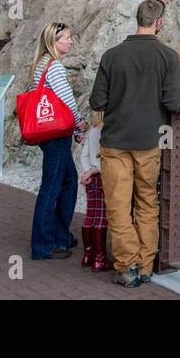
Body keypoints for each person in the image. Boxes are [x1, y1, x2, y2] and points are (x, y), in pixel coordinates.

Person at [89, 0, 180, 288]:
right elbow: (172, 103)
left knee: (118, 206)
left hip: (115, 142)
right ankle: (145, 265)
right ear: (160, 22)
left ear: (137, 19)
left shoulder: (112, 55)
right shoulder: (168, 57)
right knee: (147, 204)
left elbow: (97, 101)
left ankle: (128, 267)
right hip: (149, 143)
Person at [28, 21, 88, 261]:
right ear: (54, 41)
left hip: (48, 133)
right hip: (56, 134)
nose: (71, 41)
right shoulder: (54, 67)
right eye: (67, 38)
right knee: (51, 187)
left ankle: (60, 235)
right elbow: (66, 102)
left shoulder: (40, 64)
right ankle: (42, 245)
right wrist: (79, 125)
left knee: (68, 181)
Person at [78, 110, 110, 272]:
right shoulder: (108, 129)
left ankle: (87, 255)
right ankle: (100, 258)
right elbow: (106, 156)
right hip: (102, 176)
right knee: (102, 218)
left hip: (90, 177)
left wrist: (86, 172)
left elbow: (84, 155)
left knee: (90, 215)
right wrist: (94, 170)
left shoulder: (92, 130)